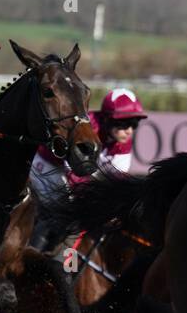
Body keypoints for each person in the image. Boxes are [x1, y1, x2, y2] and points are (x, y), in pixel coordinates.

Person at [29, 88, 147, 251]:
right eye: (123, 124)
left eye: (134, 124)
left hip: (78, 171)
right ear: (106, 120)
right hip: (48, 165)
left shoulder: (124, 142)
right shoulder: (88, 130)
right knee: (63, 212)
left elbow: (116, 181)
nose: (129, 130)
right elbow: (75, 177)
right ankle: (34, 254)